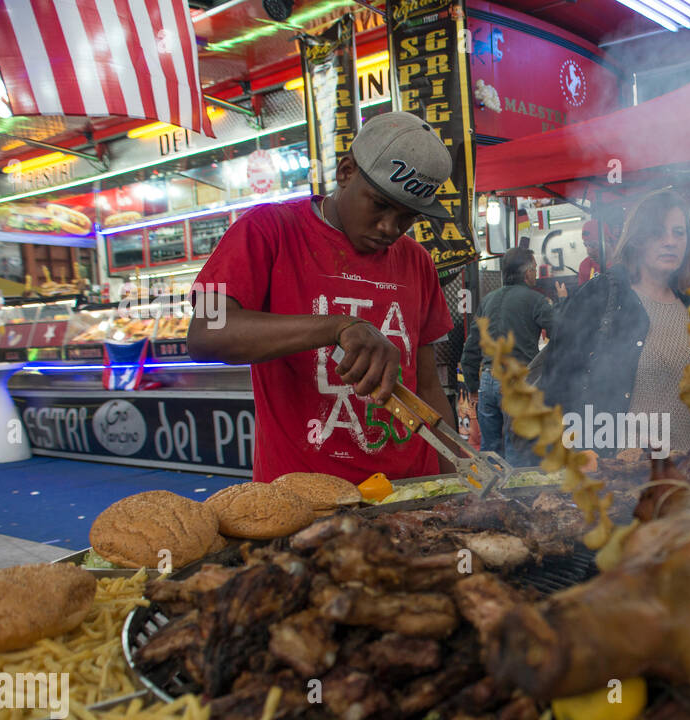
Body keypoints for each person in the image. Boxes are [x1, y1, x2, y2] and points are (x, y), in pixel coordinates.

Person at [187, 112, 457, 484]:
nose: (389, 228)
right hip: (306, 499)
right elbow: (204, 333)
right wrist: (338, 326)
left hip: (409, 489)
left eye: (406, 217)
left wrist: (461, 481)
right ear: (346, 172)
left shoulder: (417, 261)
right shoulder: (266, 230)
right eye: (379, 205)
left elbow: (427, 386)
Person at [531, 187, 690, 460]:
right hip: (625, 478)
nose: (670, 241)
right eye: (658, 232)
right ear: (637, 238)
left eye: (679, 233)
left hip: (688, 475)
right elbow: (557, 383)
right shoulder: (602, 296)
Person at [461, 246, 554, 458]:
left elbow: (472, 346)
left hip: (488, 383)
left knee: (490, 451)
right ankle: (515, 492)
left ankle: (492, 491)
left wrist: (473, 387)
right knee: (517, 451)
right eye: (535, 268)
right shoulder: (536, 300)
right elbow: (562, 332)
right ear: (528, 271)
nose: (536, 274)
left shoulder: (487, 300)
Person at [577, 219, 603, 284]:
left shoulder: (616, 262)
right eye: (585, 245)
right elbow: (582, 293)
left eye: (593, 245)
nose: (589, 251)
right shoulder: (585, 265)